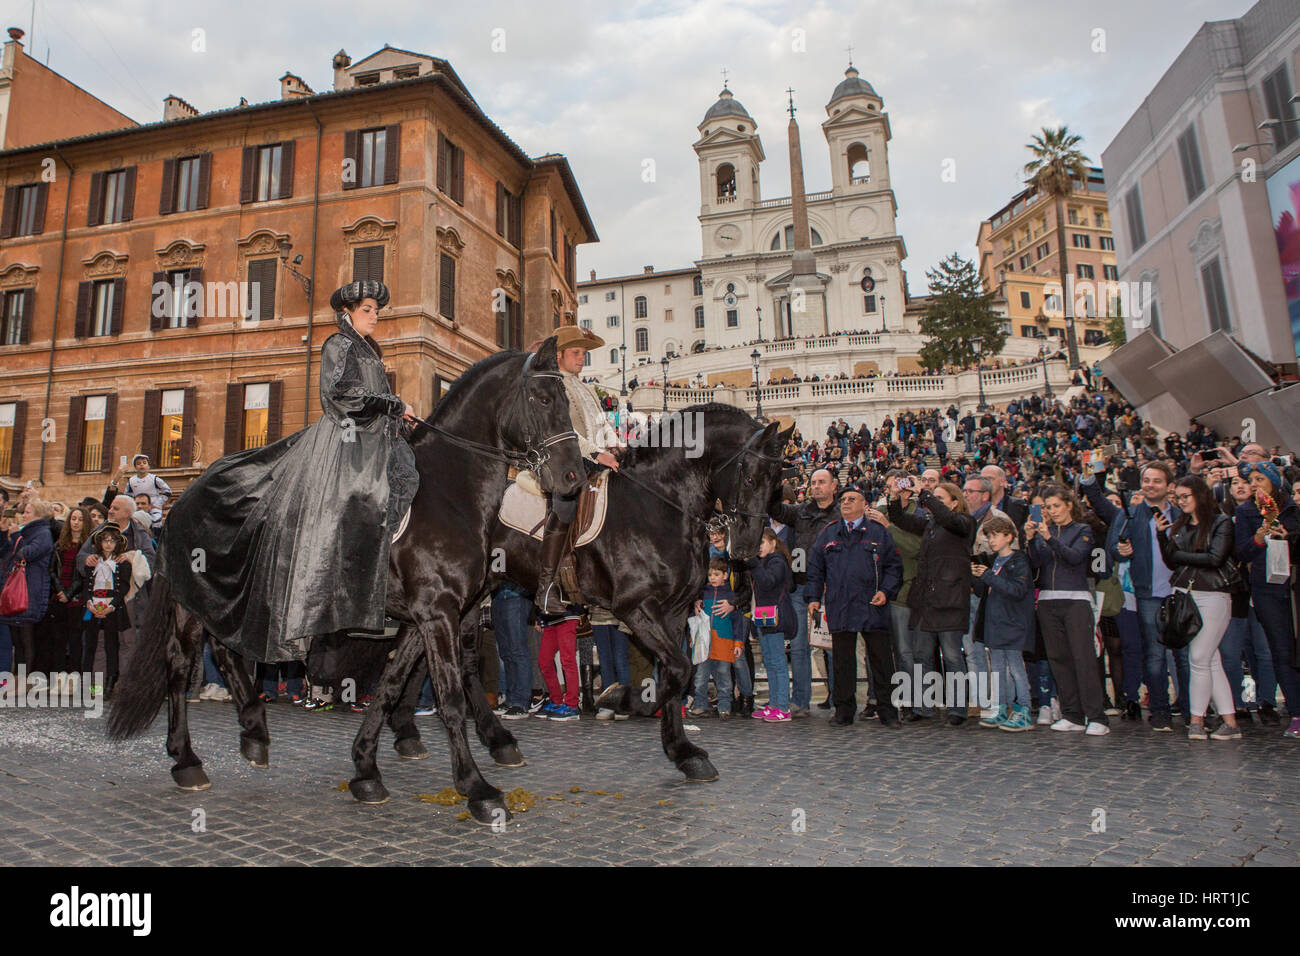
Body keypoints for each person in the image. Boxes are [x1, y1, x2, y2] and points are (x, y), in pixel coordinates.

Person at [159, 280, 418, 662]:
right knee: (362, 499)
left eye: (377, 311)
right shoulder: (339, 344)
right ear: (347, 313)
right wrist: (392, 404)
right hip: (345, 442)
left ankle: (377, 587)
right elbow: (342, 395)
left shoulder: (369, 350)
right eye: (368, 310)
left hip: (370, 439)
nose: (375, 316)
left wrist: (397, 416)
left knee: (403, 482)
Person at [535, 324, 620, 615]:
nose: (581, 358)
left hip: (598, 457)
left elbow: (601, 424)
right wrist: (596, 453)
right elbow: (565, 430)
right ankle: (547, 584)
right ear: (559, 355)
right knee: (565, 501)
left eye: (583, 353)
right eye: (576, 353)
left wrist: (616, 445)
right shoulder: (553, 383)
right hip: (566, 458)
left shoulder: (585, 387)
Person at [805, 483, 903, 727]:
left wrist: (886, 591)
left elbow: (893, 567)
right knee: (842, 661)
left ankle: (888, 711)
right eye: (844, 499)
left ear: (864, 504)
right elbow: (816, 569)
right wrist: (814, 597)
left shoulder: (879, 533)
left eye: (852, 498)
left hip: (872, 603)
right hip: (841, 603)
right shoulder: (829, 532)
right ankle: (843, 711)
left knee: (881, 661)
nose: (846, 502)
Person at [1156, 475, 1241, 740]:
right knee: (1209, 661)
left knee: (1199, 659)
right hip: (1185, 594)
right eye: (1177, 497)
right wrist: (1161, 536)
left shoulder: (1221, 522)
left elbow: (1215, 558)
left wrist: (1178, 555)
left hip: (1213, 595)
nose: (1180, 502)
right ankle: (1230, 722)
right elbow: (1171, 562)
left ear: (1199, 495)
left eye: (1185, 496)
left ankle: (1196, 720)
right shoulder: (1181, 524)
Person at [888, 481, 976, 725]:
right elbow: (899, 519)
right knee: (921, 655)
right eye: (933, 498)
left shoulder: (964, 524)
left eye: (940, 498)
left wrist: (925, 495)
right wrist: (896, 497)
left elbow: (948, 518)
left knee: (952, 656)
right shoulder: (931, 525)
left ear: (955, 502)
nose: (933, 502)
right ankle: (922, 706)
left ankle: (958, 709)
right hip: (926, 600)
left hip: (950, 599)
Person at [1027, 485, 1108, 735]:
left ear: (1069, 505)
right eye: (1048, 507)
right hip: (1049, 600)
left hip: (1076, 599)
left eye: (1056, 506)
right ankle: (1072, 713)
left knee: (1083, 658)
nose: (1052, 511)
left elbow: (1074, 557)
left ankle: (1097, 716)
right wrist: (1031, 540)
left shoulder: (1082, 530)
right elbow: (1035, 564)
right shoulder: (1044, 532)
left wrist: (1049, 538)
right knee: (1058, 659)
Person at [1233, 460, 1300, 739]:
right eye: (1252, 480)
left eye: (1261, 478)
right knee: (1281, 651)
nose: (1255, 484)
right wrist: (1260, 537)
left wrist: (1289, 537)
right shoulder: (1246, 511)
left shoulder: (1293, 509)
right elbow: (1242, 552)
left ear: (1274, 480)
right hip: (1266, 588)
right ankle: (1296, 713)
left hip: (1294, 585)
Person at [768, 467, 840, 714]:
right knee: (798, 646)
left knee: (832, 647)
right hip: (800, 585)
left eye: (822, 482)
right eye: (814, 482)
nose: (817, 485)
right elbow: (774, 509)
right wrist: (776, 483)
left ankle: (839, 699)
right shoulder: (801, 511)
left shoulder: (843, 513)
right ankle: (800, 700)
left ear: (834, 486)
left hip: (832, 587)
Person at [972, 515, 1035, 731]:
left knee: (1016, 667)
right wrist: (978, 577)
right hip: (995, 622)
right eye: (989, 537)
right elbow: (985, 592)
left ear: (1009, 537)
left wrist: (988, 576)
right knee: (997, 668)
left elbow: (1017, 590)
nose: (991, 541)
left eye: (995, 536)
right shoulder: (993, 561)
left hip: (1013, 622)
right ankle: (1000, 708)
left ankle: (1023, 709)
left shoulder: (1018, 561)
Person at [0, 498, 55, 688]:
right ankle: (17, 678)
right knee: (17, 639)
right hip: (18, 590)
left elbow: (28, 553)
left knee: (26, 639)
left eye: (28, 512)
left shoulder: (43, 533)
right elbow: (7, 554)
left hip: (30, 591)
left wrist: (15, 537)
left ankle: (24, 680)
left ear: (38, 514)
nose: (23, 515)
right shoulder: (27, 532)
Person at [746, 528, 797, 722]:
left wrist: (753, 564)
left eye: (762, 543)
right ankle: (774, 703)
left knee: (776, 662)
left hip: (774, 617)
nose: (758, 547)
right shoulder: (765, 561)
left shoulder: (777, 561)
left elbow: (767, 582)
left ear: (773, 543)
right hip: (764, 616)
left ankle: (782, 706)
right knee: (769, 661)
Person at [81, 522, 131, 698]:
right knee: (92, 646)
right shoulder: (93, 562)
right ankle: (93, 686)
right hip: (93, 605)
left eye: (112, 541)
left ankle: (109, 683)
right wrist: (88, 603)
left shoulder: (122, 564)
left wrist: (111, 607)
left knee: (111, 646)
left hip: (112, 607)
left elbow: (123, 587)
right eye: (105, 540)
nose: (108, 544)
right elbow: (86, 585)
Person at [692, 557, 745, 719]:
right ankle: (700, 705)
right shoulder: (702, 593)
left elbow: (737, 622)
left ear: (725, 575)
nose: (712, 578)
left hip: (724, 641)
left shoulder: (730, 596)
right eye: (710, 575)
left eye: (716, 574)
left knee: (724, 676)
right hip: (704, 642)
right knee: (700, 676)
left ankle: (724, 706)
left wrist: (738, 643)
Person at [49, 506, 90, 679]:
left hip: (77, 599)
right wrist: (60, 590)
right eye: (73, 519)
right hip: (59, 597)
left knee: (75, 640)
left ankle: (73, 676)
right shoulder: (60, 544)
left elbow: (85, 575)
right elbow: (52, 570)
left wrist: (70, 593)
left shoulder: (89, 546)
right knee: (58, 639)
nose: (76, 522)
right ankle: (59, 676)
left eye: (80, 519)